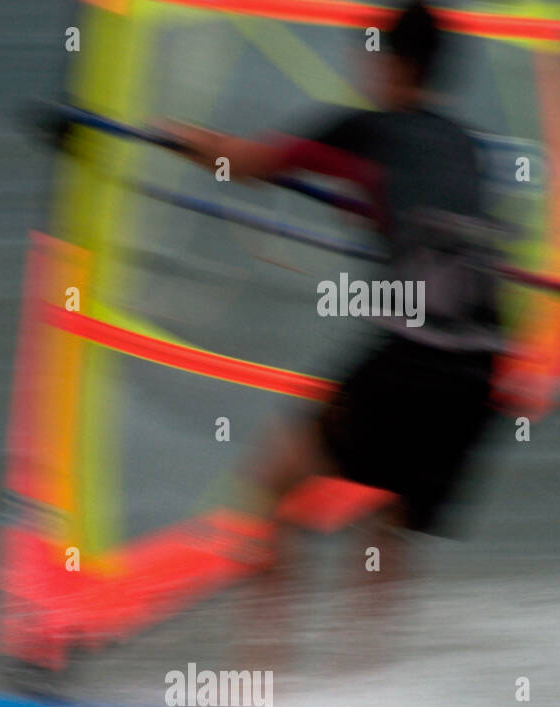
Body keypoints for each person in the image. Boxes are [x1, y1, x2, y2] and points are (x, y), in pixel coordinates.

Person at [160, 1, 502, 586]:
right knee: (389, 516)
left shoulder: (367, 129)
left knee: (270, 487)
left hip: (415, 349)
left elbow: (241, 162)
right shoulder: (469, 149)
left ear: (390, 63)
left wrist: (169, 135)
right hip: (480, 366)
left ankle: (266, 676)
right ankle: (369, 675)